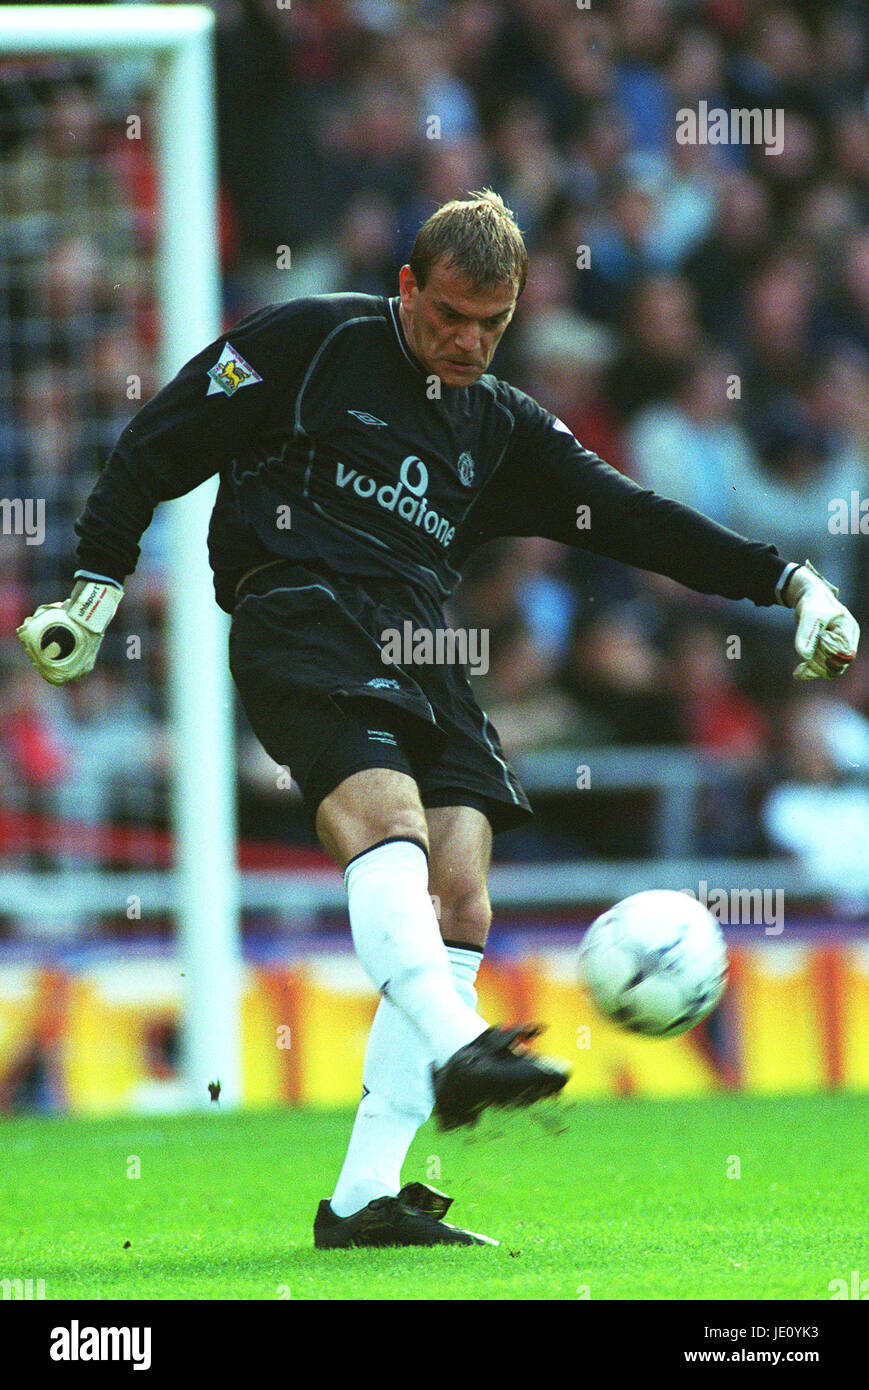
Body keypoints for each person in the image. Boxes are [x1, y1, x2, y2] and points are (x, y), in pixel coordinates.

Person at [18, 190, 859, 1249]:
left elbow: (638, 520)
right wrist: (94, 586)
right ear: (407, 286)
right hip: (298, 607)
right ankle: (461, 1043)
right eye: (449, 314)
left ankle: (367, 1196)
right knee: (386, 823)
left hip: (418, 646)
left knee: (460, 891)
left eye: (491, 324)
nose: (466, 341)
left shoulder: (498, 426)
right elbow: (160, 438)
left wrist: (787, 583)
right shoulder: (313, 341)